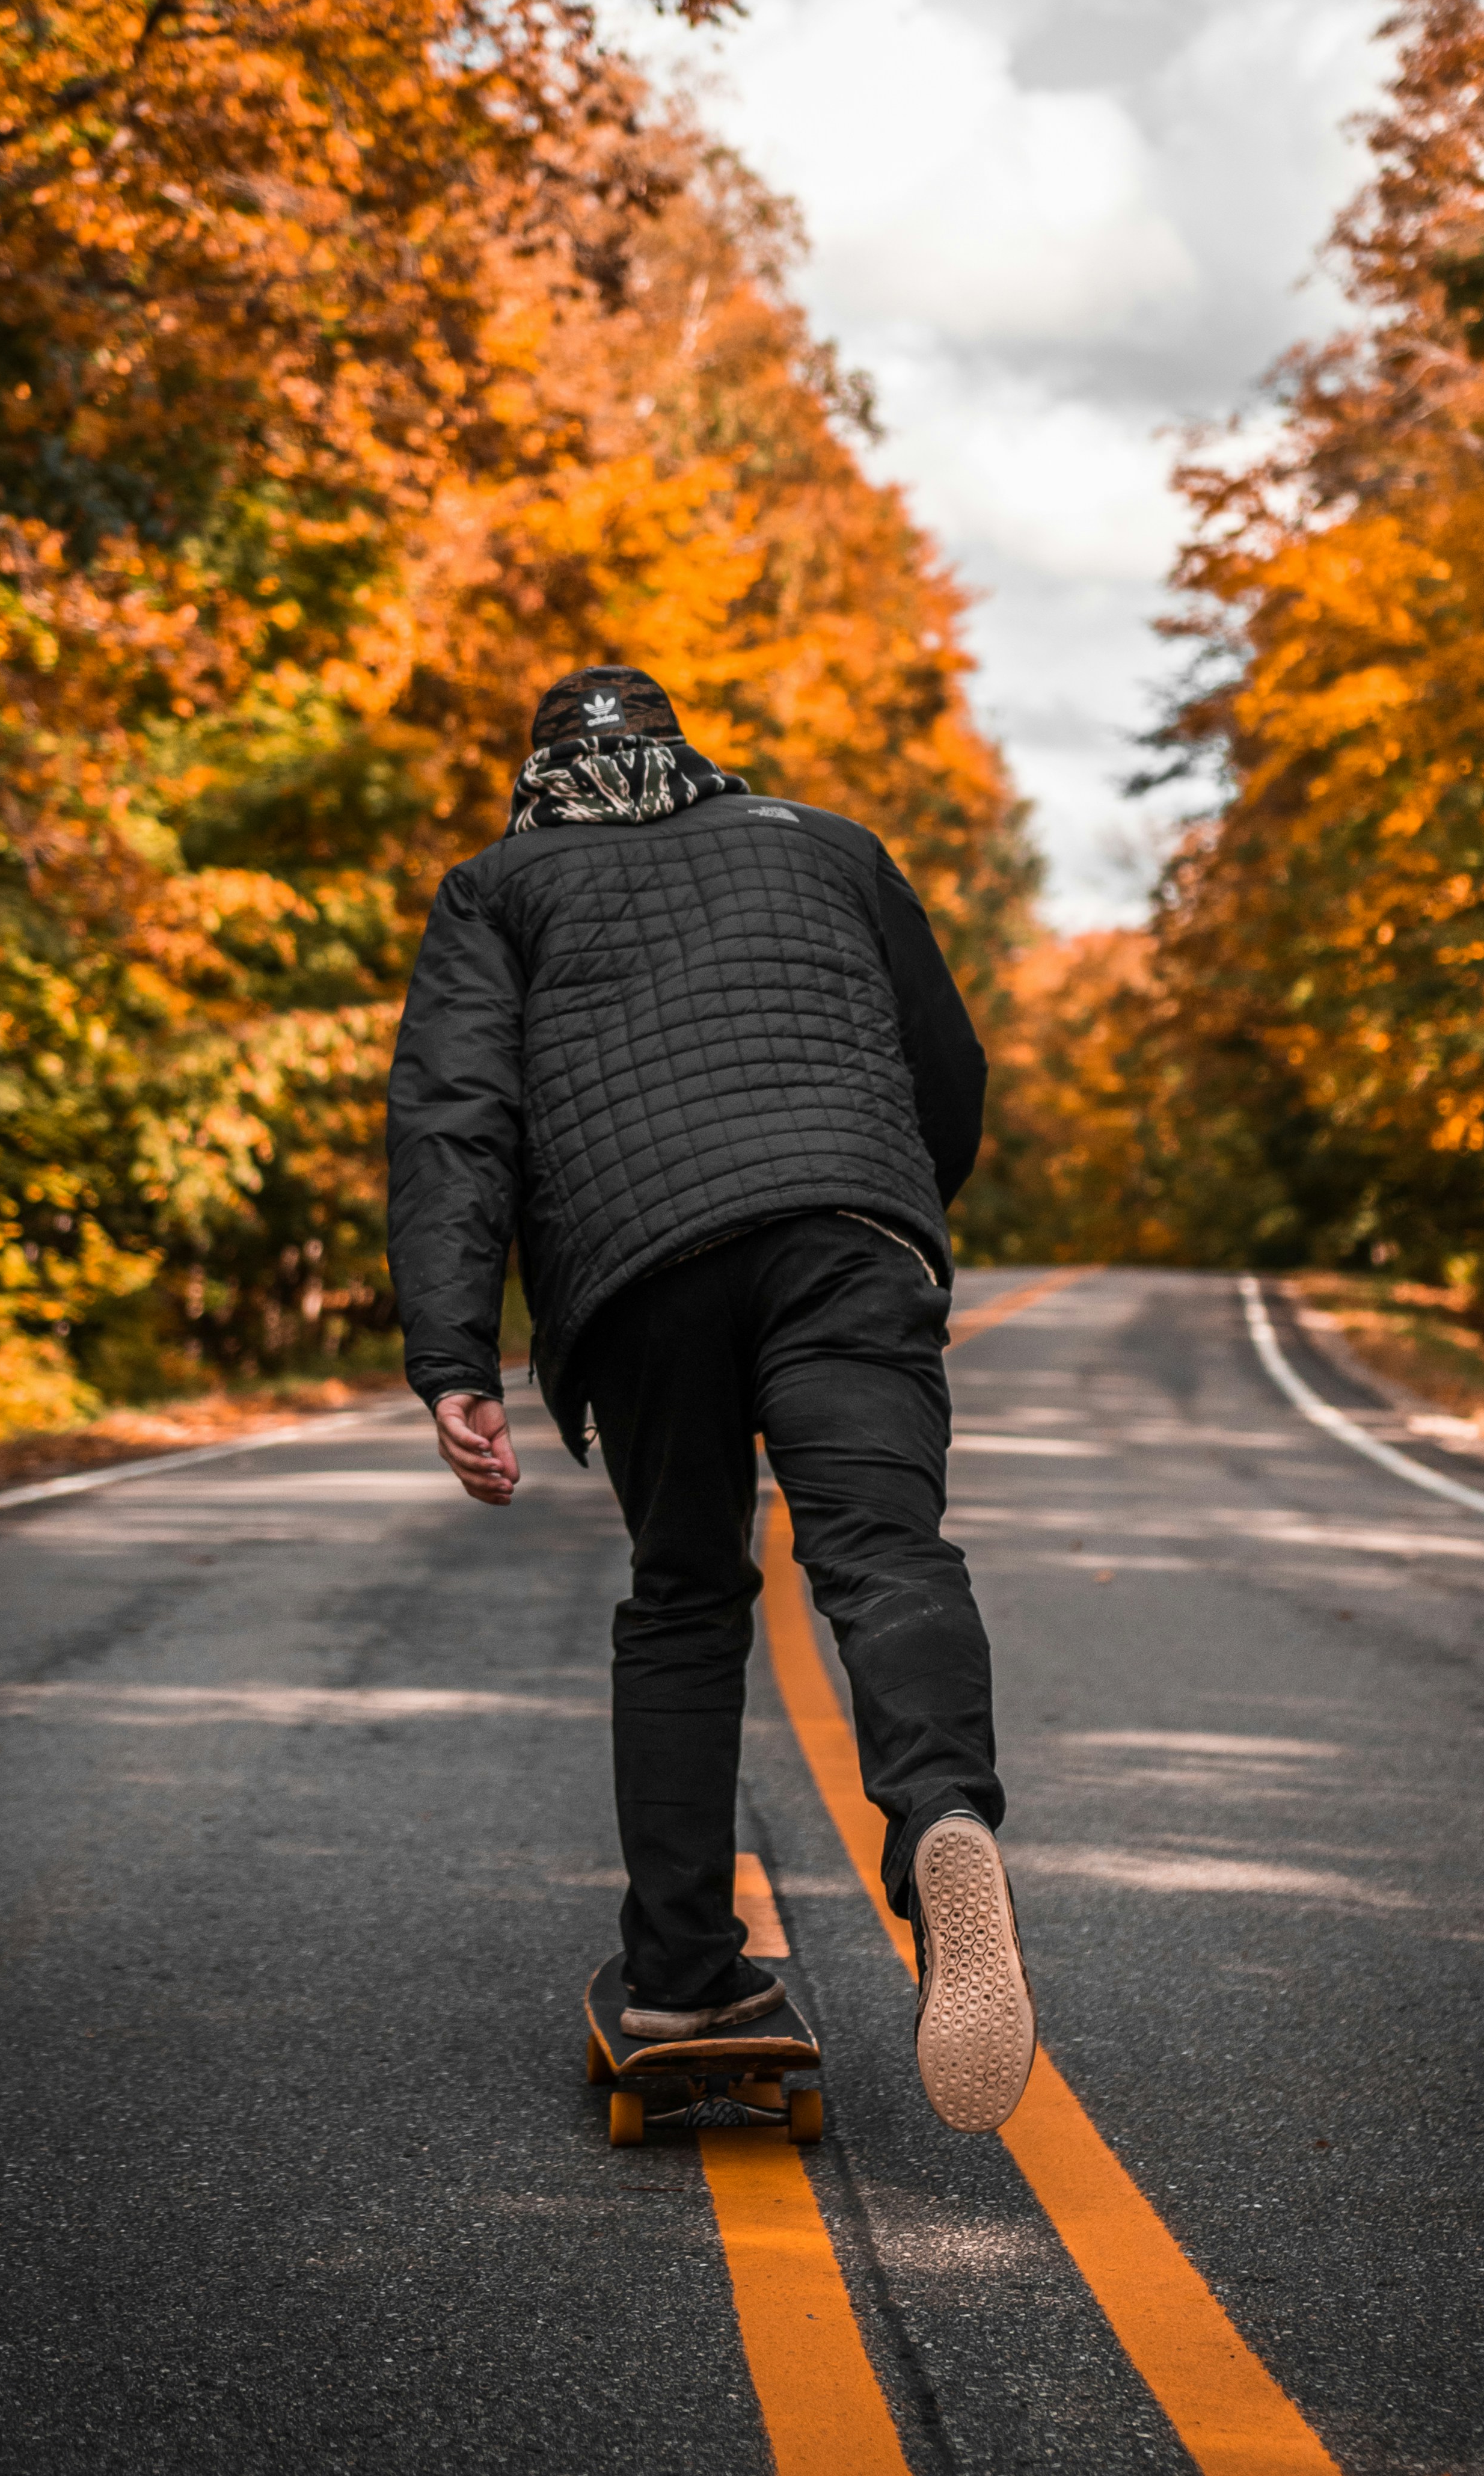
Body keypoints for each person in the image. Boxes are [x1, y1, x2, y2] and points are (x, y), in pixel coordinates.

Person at [385, 666, 1035, 2133]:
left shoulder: (498, 889)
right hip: (847, 1235)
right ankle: (941, 1814)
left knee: (685, 1592)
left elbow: (457, 1127)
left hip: (640, 1271)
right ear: (689, 751)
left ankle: (680, 1969)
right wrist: (887, 1206)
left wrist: (452, 1359)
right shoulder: (827, 844)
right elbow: (948, 1068)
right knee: (883, 1553)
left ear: (537, 775)